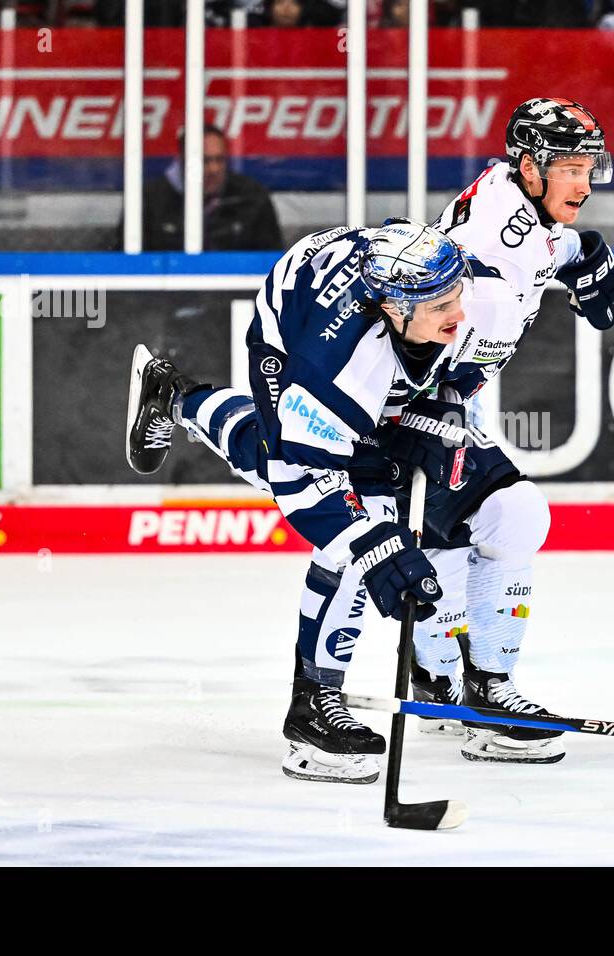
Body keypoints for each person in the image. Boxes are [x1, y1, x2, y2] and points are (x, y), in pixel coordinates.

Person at [124, 220, 530, 783]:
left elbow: (459, 367)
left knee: (514, 509)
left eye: (457, 296)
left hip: (358, 281)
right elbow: (304, 484)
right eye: (441, 305)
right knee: (330, 507)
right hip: (291, 325)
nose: (457, 314)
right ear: (394, 309)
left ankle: (484, 686)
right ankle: (312, 703)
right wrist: (379, 548)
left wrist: (441, 407)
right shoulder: (334, 361)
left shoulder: (463, 290)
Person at [299, 98, 614, 765]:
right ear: (530, 167)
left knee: (469, 524)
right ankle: (475, 690)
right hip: (383, 414)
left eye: (589, 166)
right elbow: (437, 322)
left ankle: (449, 682)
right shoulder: (489, 248)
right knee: (506, 517)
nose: (584, 183)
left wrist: (586, 255)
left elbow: (551, 247)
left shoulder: (522, 204)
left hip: (431, 403)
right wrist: (438, 405)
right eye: (569, 167)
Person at [118, 124, 283, 252]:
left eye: (219, 160)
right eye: (204, 161)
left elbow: (272, 262)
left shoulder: (251, 197)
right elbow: (124, 264)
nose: (214, 170)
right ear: (182, 160)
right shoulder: (149, 200)